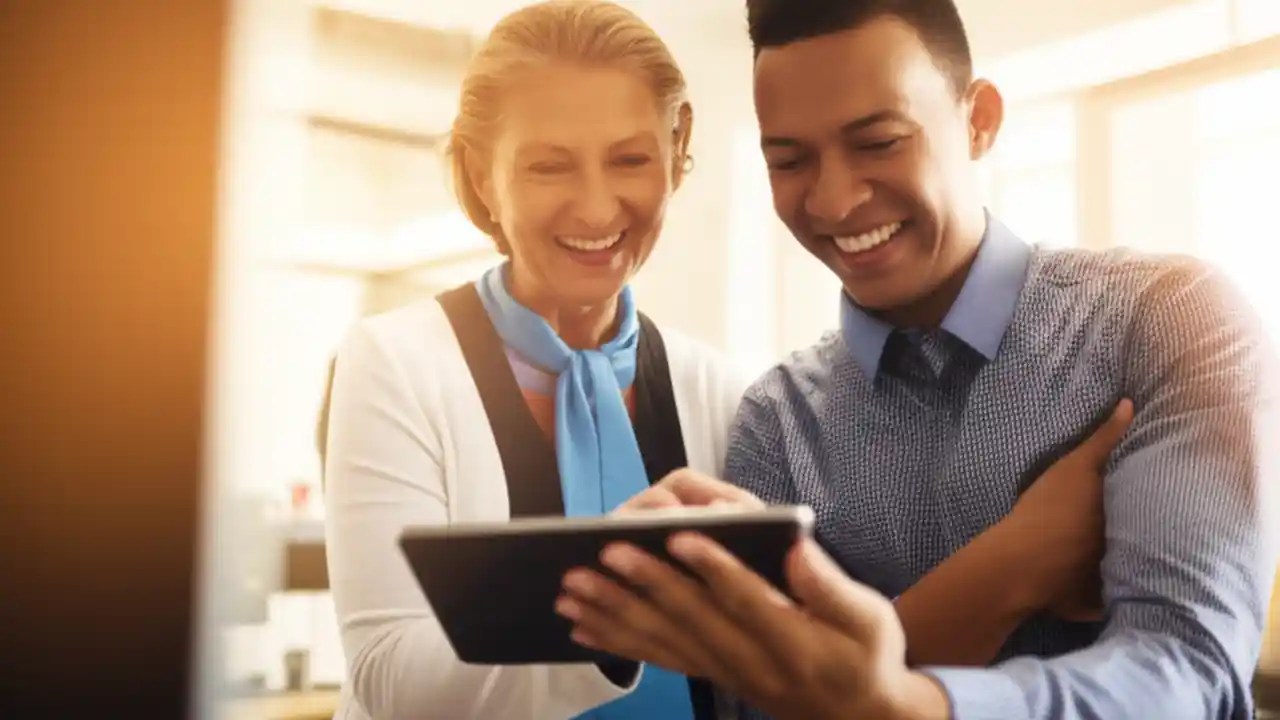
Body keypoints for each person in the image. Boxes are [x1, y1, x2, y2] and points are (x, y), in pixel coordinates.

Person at [555, 1, 1280, 718]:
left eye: (879, 142)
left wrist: (905, 698)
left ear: (978, 121)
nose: (835, 202)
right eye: (790, 160)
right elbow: (761, 707)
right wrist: (1015, 565)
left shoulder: (1164, 320)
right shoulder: (777, 422)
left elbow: (1190, 672)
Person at [320, 2, 744, 718]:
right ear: (483, 177)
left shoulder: (720, 389)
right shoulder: (392, 363)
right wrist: (611, 604)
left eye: (631, 159)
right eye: (550, 166)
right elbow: (392, 679)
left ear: (676, 154)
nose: (595, 206)